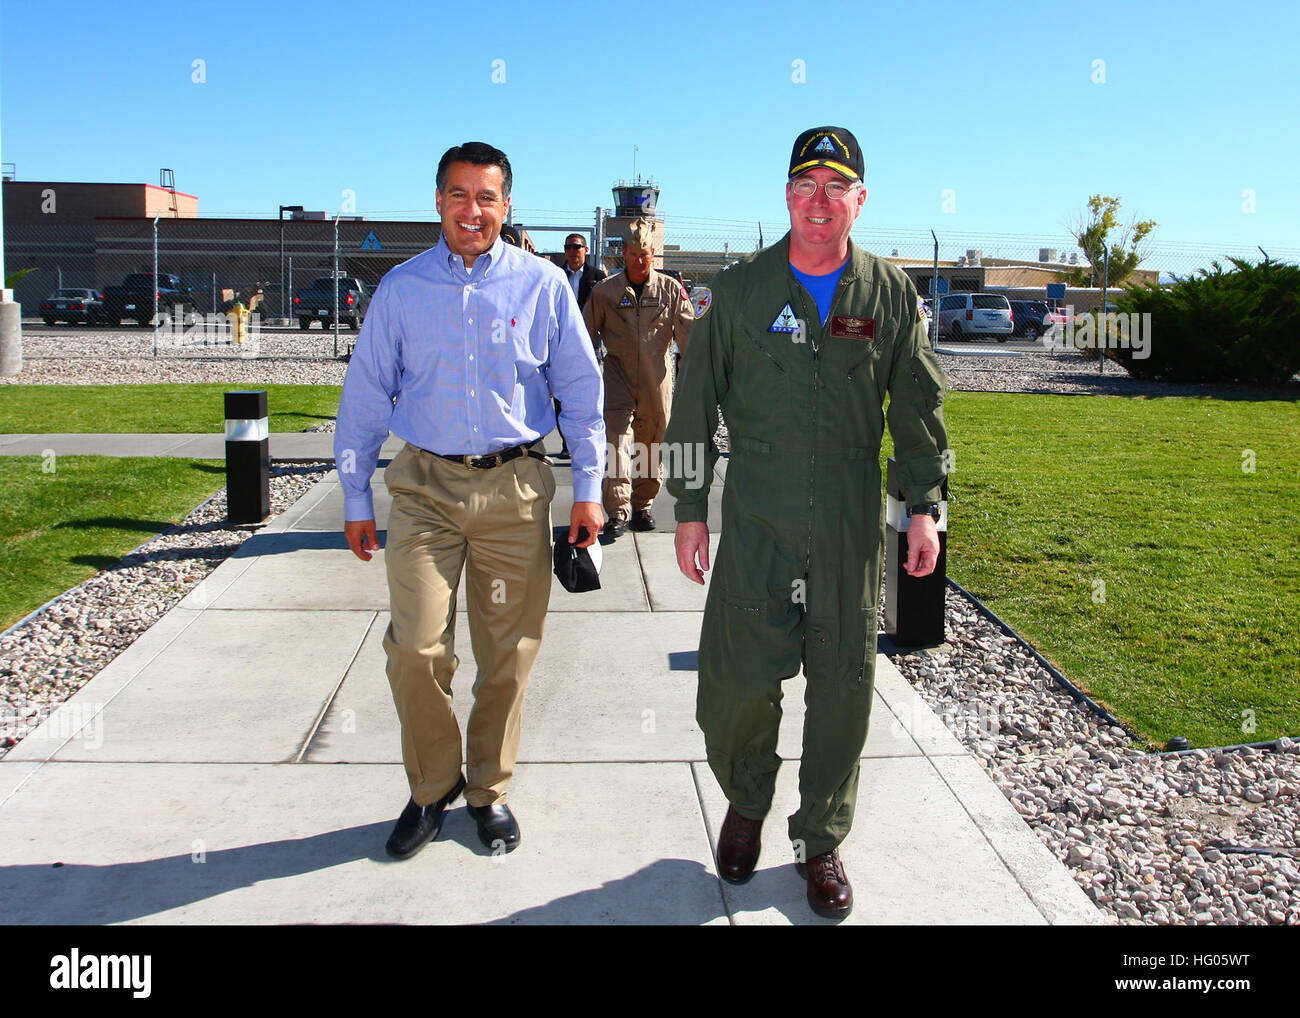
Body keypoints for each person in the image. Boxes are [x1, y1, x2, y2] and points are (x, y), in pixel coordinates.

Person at [664, 126, 948, 919]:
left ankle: (820, 840)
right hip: (758, 517)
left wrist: (922, 508)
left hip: (852, 522)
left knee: (843, 687)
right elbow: (694, 404)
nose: (818, 202)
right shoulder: (739, 290)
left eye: (836, 187)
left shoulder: (888, 294)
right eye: (804, 184)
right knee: (738, 682)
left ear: (860, 200)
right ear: (785, 193)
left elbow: (918, 406)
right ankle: (747, 803)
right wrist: (689, 510)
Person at [334, 141, 605, 861]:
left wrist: (590, 489)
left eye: (487, 197)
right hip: (425, 489)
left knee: (507, 655)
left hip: (516, 489)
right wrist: (355, 496)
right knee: (416, 650)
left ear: (507, 206)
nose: (472, 210)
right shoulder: (400, 289)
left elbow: (580, 393)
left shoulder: (543, 286)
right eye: (458, 194)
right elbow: (364, 396)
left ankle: (487, 789)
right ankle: (431, 788)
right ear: (437, 202)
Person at [583, 219, 694, 537]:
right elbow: (584, 337)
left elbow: (689, 337)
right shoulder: (605, 292)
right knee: (615, 441)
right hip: (616, 377)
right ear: (625, 255)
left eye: (644, 253)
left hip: (656, 380)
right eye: (633, 254)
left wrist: (694, 375)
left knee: (650, 444)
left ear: (653, 252)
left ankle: (642, 505)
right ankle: (618, 510)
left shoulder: (670, 290)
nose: (639, 260)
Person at [551, 233, 606, 459]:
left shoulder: (597, 277)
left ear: (585, 251)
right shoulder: (556, 275)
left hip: (589, 345)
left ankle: (591, 442)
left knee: (590, 395)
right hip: (560, 346)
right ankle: (567, 444)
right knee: (561, 397)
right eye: (569, 247)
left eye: (577, 247)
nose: (573, 251)